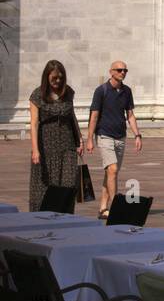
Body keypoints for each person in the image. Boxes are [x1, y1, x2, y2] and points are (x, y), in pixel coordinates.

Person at [86, 60, 142, 219]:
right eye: (119, 70)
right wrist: (89, 138)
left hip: (120, 136)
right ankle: (117, 207)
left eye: (125, 70)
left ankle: (103, 208)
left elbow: (130, 115)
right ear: (111, 72)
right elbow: (94, 116)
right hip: (104, 135)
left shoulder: (127, 91)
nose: (122, 73)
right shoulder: (101, 91)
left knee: (110, 174)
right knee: (113, 170)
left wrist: (137, 135)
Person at [29, 60, 82, 213]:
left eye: (60, 78)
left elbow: (72, 116)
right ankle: (41, 217)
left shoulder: (68, 92)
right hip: (46, 144)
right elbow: (33, 124)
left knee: (68, 183)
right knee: (45, 185)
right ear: (46, 77)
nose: (57, 81)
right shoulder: (37, 95)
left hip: (67, 143)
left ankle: (65, 215)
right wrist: (35, 150)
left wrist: (80, 140)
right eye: (54, 78)